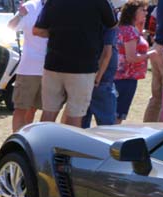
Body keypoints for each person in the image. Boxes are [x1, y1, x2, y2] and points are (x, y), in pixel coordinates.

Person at [33, 0, 116, 128]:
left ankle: (42, 146)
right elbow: (112, 24)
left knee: (48, 113)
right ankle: (69, 148)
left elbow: (38, 30)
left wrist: (59, 32)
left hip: (53, 65)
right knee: (75, 115)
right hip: (83, 68)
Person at [8, 0, 47, 132]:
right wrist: (20, 15)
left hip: (49, 70)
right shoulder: (30, 6)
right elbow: (11, 27)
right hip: (29, 69)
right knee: (21, 108)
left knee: (34, 109)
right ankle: (17, 143)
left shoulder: (59, 6)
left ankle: (28, 139)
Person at [114, 1, 151, 123]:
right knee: (118, 115)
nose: (146, 13)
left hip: (119, 76)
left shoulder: (123, 28)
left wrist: (139, 30)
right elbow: (131, 57)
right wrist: (151, 54)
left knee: (115, 113)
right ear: (133, 13)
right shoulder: (130, 31)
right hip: (126, 78)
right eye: (143, 10)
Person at [83, 17, 120, 127]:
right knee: (107, 127)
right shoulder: (109, 23)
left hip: (90, 78)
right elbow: (106, 53)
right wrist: (97, 77)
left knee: (82, 124)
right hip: (100, 81)